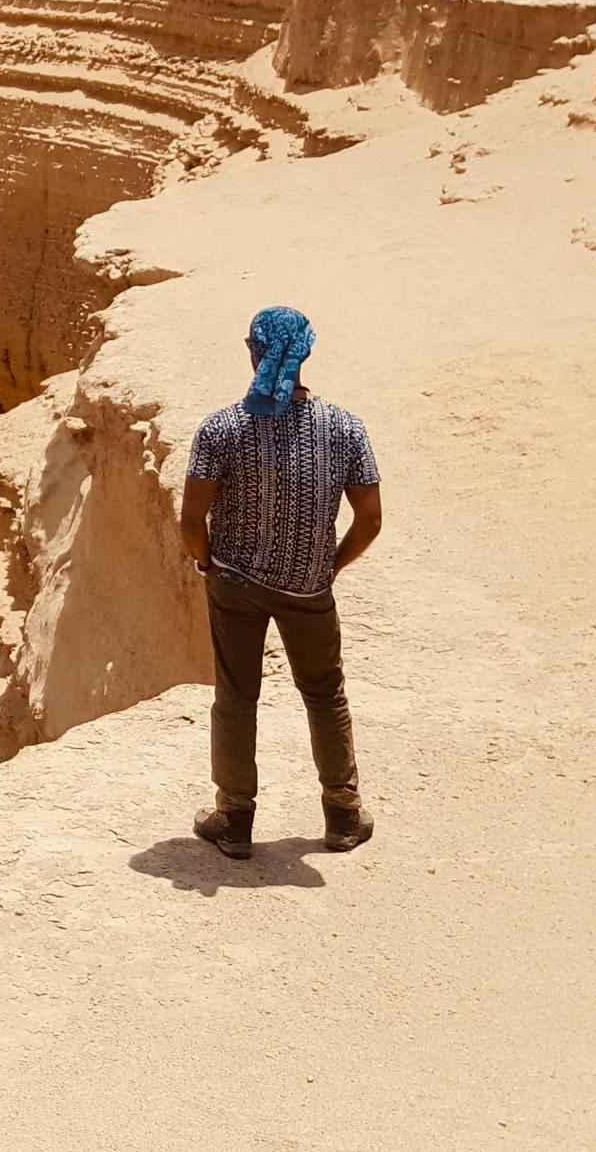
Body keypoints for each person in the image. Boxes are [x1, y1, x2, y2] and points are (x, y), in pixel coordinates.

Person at [176, 305, 382, 860]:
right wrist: (329, 566)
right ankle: (343, 814)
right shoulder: (345, 427)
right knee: (325, 694)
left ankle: (234, 819)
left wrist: (207, 564)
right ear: (306, 350)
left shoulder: (222, 428)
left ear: (253, 350)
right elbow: (370, 520)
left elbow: (192, 521)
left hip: (235, 584)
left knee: (236, 697)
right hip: (310, 588)